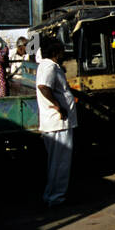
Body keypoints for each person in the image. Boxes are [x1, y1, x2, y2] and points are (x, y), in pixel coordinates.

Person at [35, 37, 76, 206]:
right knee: (61, 162)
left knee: (56, 162)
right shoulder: (49, 67)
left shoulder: (48, 66)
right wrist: (59, 106)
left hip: (57, 122)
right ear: (55, 52)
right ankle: (56, 198)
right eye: (61, 50)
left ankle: (52, 195)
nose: (63, 54)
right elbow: (44, 87)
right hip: (58, 122)